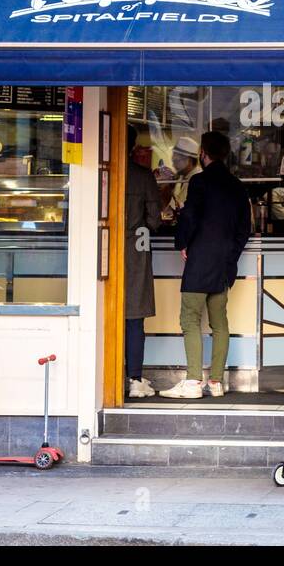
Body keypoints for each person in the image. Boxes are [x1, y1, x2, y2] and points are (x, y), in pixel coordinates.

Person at [160, 131, 251, 399]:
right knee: (219, 323)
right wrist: (230, 256)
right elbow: (244, 229)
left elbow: (189, 217)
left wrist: (183, 243)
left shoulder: (200, 182)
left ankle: (192, 382)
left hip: (199, 261)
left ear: (203, 153)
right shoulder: (237, 185)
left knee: (189, 319)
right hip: (223, 265)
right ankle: (216, 382)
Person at [124, 137, 161, 398]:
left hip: (100, 251)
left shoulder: (98, 172)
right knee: (134, 319)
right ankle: (134, 379)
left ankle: (106, 372)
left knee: (103, 316)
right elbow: (154, 221)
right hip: (136, 250)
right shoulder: (143, 177)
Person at [161, 136, 200, 223]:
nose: (173, 162)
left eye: (177, 159)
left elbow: (181, 208)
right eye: (173, 156)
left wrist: (166, 189)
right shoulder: (181, 177)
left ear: (189, 160)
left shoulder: (198, 179)